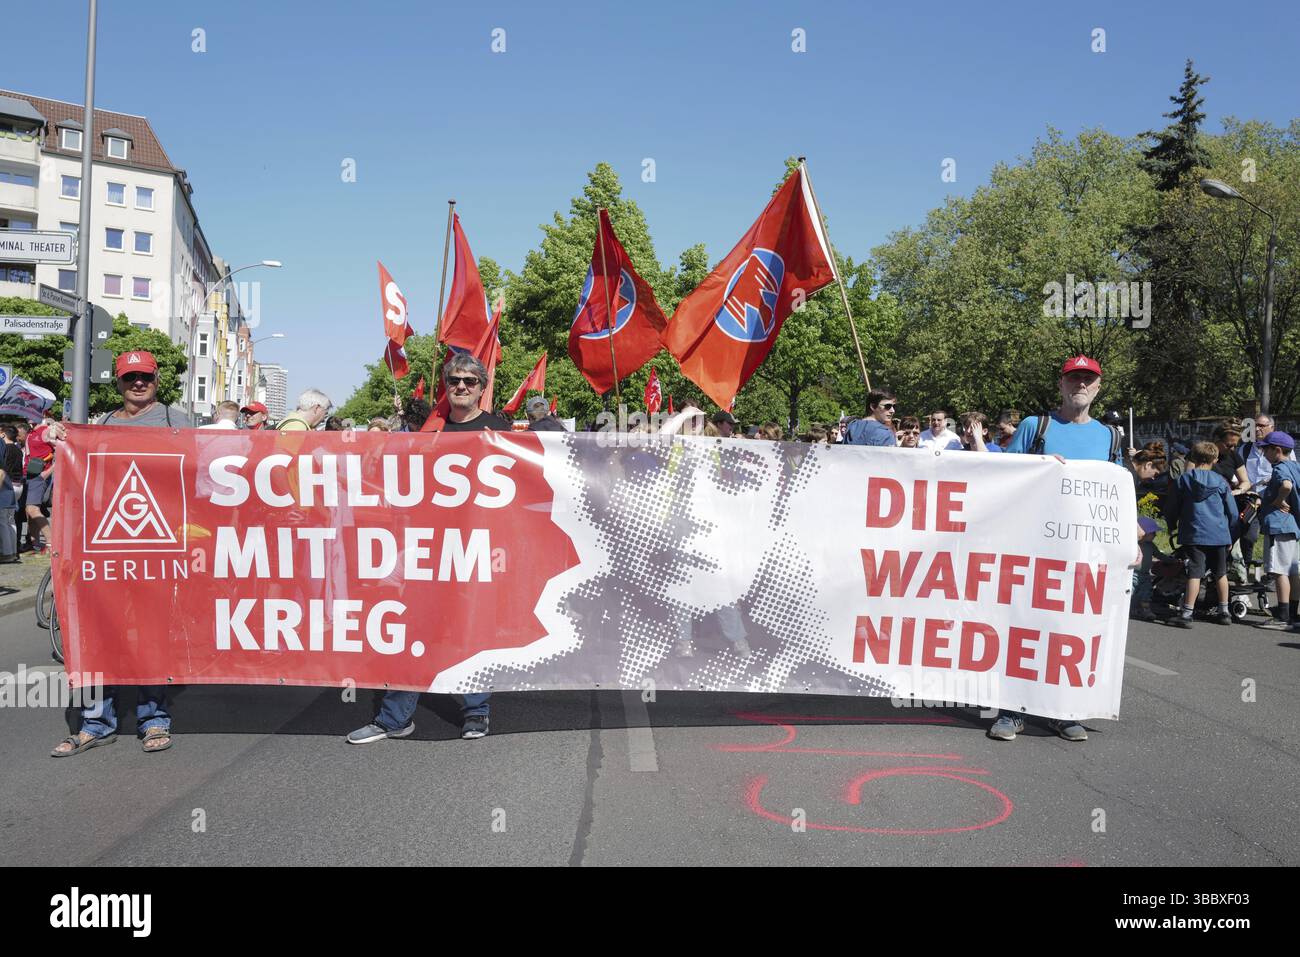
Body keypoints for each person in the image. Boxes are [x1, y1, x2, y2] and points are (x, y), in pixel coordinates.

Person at [347, 354, 506, 745]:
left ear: (482, 388)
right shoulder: (428, 430)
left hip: (475, 548)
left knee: (471, 628)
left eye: (470, 381)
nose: (462, 386)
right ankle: (395, 717)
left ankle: (476, 710)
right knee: (412, 627)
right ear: (446, 385)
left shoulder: (499, 432)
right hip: (424, 548)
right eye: (455, 380)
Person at [50, 350, 195, 758]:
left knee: (151, 636)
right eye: (130, 377)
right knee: (100, 634)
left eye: (144, 377)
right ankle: (96, 721)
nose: (138, 384)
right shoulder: (104, 424)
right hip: (108, 549)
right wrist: (58, 438)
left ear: (156, 379)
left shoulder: (175, 420)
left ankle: (154, 719)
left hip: (160, 549)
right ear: (118, 382)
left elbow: (200, 471)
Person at [991, 354, 1129, 743]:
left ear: (1098, 387)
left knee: (1071, 631)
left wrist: (1130, 537)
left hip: (1085, 552)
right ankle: (1010, 709)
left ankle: (1062, 710)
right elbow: (1000, 476)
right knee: (1023, 626)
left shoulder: (1110, 437)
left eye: (1088, 379)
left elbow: (1118, 494)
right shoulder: (1037, 427)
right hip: (1032, 546)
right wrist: (1037, 465)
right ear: (1061, 385)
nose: (1080, 385)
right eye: (1073, 379)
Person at [1166, 441, 1237, 628]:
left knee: (1195, 573)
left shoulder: (1184, 479)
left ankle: (1187, 613)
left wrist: (1171, 524)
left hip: (1194, 533)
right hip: (1219, 535)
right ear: (1215, 459)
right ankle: (1224, 611)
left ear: (1193, 458)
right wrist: (1230, 533)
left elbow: (1172, 507)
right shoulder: (1221, 482)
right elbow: (1233, 512)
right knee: (1221, 573)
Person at [1254, 431, 1300, 631]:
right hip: (1294, 526)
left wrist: (1278, 500)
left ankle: (1282, 617)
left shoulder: (1280, 467)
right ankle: (1293, 614)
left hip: (1279, 525)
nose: (1264, 453)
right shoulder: (1295, 465)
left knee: (1279, 571)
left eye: (1266, 449)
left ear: (1277, 450)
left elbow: (1287, 485)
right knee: (1293, 572)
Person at [1238, 413, 1274, 577]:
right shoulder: (1244, 449)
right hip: (1251, 502)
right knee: (1248, 537)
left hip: (1273, 501)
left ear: (1271, 428)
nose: (1257, 429)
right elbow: (1236, 475)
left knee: (1272, 538)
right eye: (1255, 426)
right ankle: (1244, 569)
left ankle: (1271, 574)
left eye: (1261, 426)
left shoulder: (1278, 448)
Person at [22, 414, 57, 553]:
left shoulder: (46, 430)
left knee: (33, 509)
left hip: (39, 475)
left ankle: (51, 543)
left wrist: (48, 472)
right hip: (27, 473)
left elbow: (60, 449)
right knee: (29, 510)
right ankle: (34, 543)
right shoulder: (32, 431)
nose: (28, 416)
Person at [0, 424, 20, 564]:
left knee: (3, 522)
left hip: (5, 488)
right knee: (9, 521)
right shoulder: (14, 448)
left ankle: (7, 553)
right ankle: (12, 552)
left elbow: (1, 471)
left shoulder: (4, 445)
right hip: (10, 487)